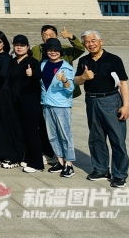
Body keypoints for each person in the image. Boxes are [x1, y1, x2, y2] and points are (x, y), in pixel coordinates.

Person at [75, 30, 129, 188]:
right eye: (87, 42)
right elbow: (77, 80)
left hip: (111, 100)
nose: (90, 44)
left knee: (117, 139)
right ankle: (100, 169)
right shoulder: (84, 60)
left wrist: (125, 106)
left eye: (93, 41)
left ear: (101, 42)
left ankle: (119, 174)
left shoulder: (113, 59)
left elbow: (123, 83)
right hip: (91, 101)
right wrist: (83, 78)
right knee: (96, 137)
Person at [31, 25, 86, 161]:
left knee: (63, 132)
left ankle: (68, 162)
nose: (48, 36)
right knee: (49, 131)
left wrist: (71, 37)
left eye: (51, 34)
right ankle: (56, 156)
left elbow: (80, 49)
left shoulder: (66, 52)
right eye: (45, 34)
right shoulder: (37, 51)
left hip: (61, 99)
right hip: (45, 97)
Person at [40, 37, 76, 178]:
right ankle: (60, 161)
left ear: (60, 52)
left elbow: (70, 89)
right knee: (52, 135)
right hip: (46, 103)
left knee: (65, 135)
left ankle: (69, 164)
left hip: (61, 105)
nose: (53, 52)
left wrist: (64, 80)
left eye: (55, 50)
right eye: (50, 50)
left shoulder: (66, 67)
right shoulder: (43, 65)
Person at [0, 31, 23, 168]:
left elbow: (2, 76)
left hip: (4, 93)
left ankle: (11, 156)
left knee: (5, 124)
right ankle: (0, 154)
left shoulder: (5, 58)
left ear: (4, 43)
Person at [10, 35, 44, 173]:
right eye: (16, 45)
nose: (19, 47)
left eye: (22, 45)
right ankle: (24, 157)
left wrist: (32, 74)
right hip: (16, 101)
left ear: (27, 47)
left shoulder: (32, 61)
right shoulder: (13, 62)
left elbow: (38, 76)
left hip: (30, 101)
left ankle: (36, 163)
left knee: (31, 132)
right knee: (20, 131)